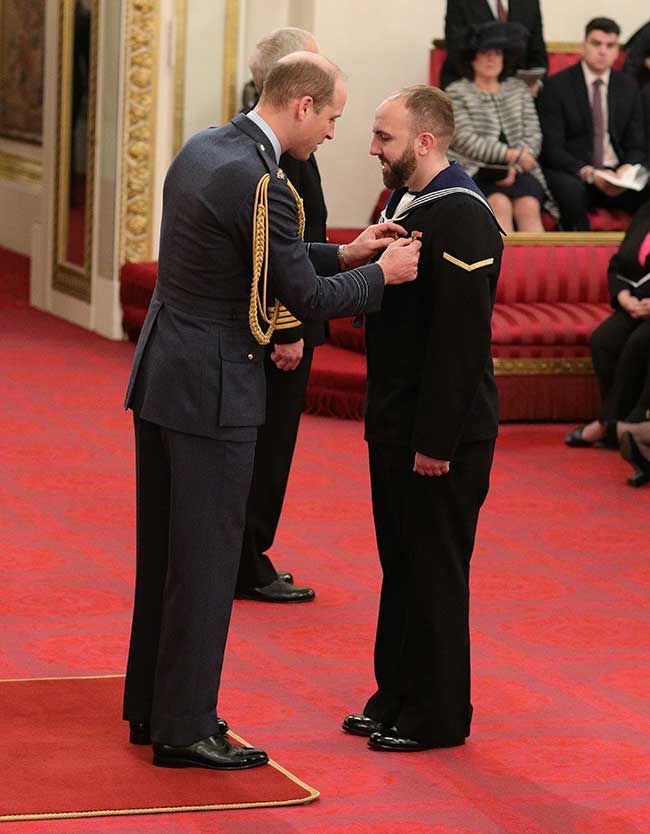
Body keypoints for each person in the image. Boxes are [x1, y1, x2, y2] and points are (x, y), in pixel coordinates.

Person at [122, 52, 421, 771]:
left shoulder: (207, 149)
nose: (332, 134)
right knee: (206, 559)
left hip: (165, 374)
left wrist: (345, 253)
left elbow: (264, 258)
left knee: (164, 554)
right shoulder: (266, 184)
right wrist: (381, 276)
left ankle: (151, 707)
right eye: (332, 119)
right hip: (216, 389)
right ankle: (186, 726)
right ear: (301, 106)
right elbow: (303, 300)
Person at [342, 85, 503, 752]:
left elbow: (460, 343)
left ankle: (436, 715)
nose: (373, 147)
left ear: (426, 141)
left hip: (442, 432)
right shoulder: (401, 198)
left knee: (434, 569)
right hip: (396, 419)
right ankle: (396, 695)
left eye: (384, 137)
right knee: (401, 564)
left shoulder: (464, 215)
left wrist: (435, 439)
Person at [235, 28, 326, 604]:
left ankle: (249, 551)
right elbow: (274, 247)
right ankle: (248, 558)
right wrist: (291, 328)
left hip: (284, 314)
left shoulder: (270, 143)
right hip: (280, 325)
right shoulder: (275, 151)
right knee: (268, 450)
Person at [446, 20, 556, 232]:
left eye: (497, 53)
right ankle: (507, 266)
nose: (491, 58)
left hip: (521, 169)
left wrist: (515, 165)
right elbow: (465, 140)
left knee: (528, 205)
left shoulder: (518, 89)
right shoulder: (456, 92)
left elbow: (533, 134)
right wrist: (512, 156)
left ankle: (534, 266)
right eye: (484, 52)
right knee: (499, 203)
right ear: (472, 59)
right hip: (476, 170)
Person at [539, 17, 648, 231]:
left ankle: (637, 254)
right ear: (583, 46)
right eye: (596, 43)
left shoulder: (628, 87)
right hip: (578, 173)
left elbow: (637, 143)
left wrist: (626, 169)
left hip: (617, 176)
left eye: (610, 46)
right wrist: (589, 173)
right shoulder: (557, 86)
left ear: (617, 51)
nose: (603, 51)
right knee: (570, 190)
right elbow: (552, 149)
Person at [565, 200, 650, 450]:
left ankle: (616, 424)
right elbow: (619, 264)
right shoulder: (645, 211)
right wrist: (624, 297)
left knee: (639, 344)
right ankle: (618, 422)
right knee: (605, 339)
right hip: (634, 303)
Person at [441, 0, 547, 91]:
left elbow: (537, 51)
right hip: (469, 85)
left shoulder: (529, 2)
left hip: (520, 92)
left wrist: (536, 83)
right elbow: (456, 48)